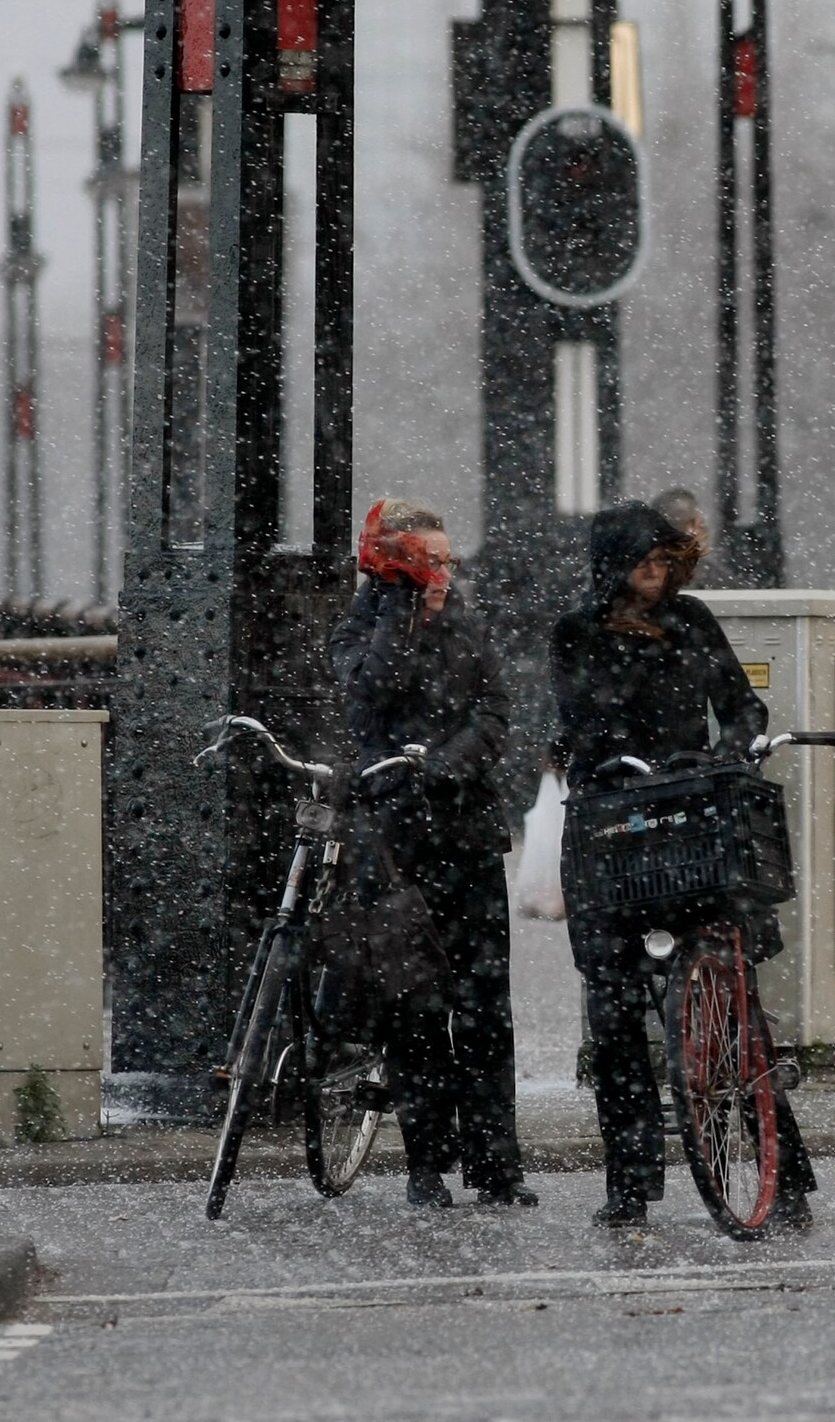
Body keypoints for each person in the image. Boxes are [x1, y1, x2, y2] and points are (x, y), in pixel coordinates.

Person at [550, 500, 815, 1228]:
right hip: (615, 824)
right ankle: (629, 1182)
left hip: (690, 812)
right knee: (612, 1008)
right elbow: (581, 717)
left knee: (735, 1004)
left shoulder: (693, 619)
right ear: (613, 566)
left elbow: (740, 702)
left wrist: (735, 741)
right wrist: (611, 756)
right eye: (645, 563)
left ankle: (780, 1170)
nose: (659, 575)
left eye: (666, 562)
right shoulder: (577, 630)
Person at [328, 498, 535, 1207]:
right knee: (411, 1007)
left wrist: (448, 761)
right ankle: (426, 1162)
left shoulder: (469, 627)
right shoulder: (367, 624)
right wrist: (397, 612)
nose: (445, 573)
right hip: (394, 843)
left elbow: (497, 713)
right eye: (431, 561)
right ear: (400, 567)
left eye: (448, 560)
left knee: (483, 1005)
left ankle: (496, 1163)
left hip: (467, 834)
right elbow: (367, 698)